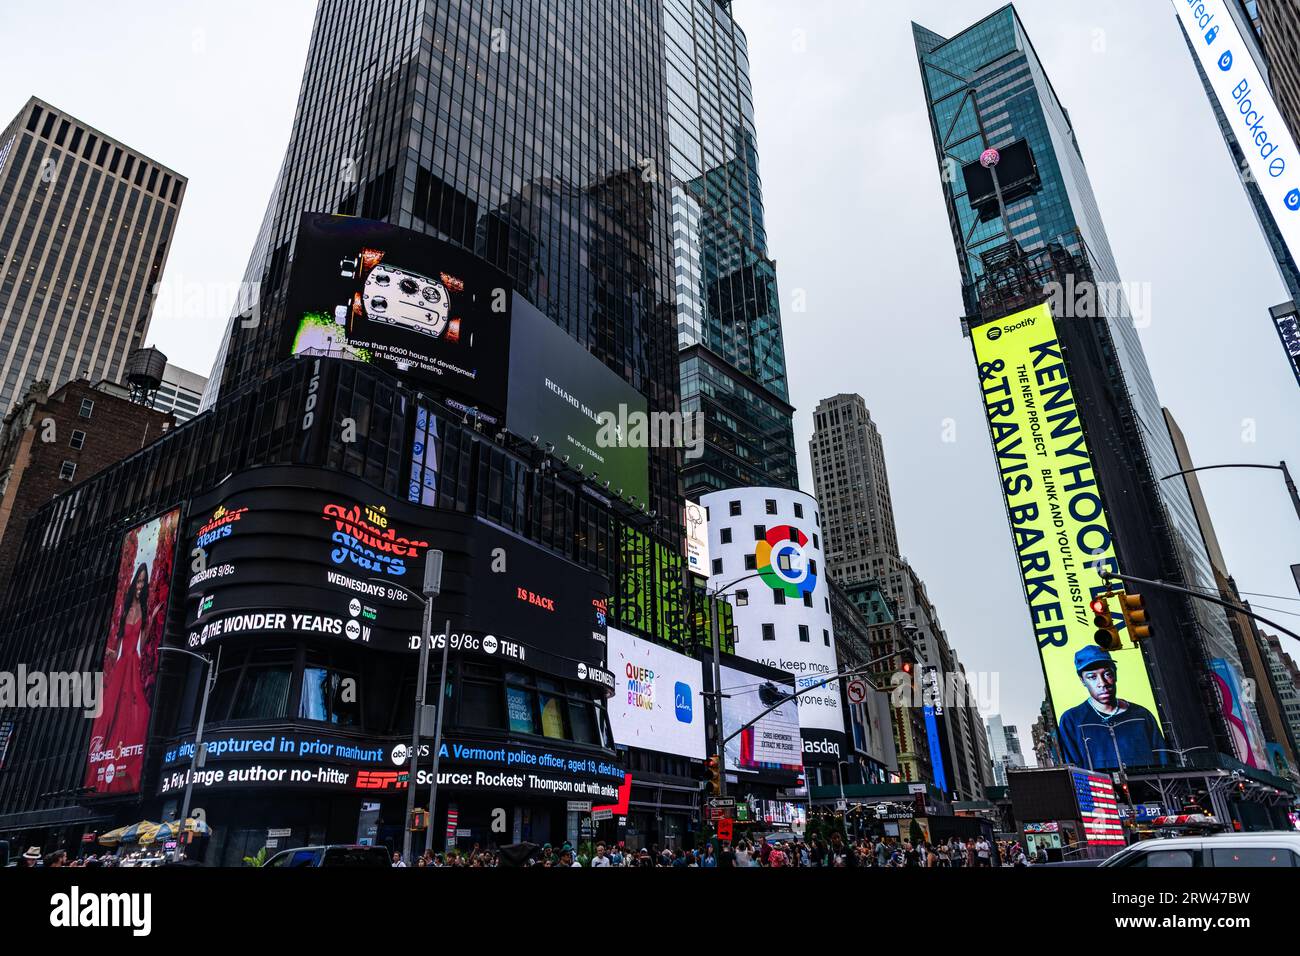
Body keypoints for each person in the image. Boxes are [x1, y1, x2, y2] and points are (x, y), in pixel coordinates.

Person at [1059, 647, 1166, 770]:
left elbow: (1163, 759)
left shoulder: (1141, 715)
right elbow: (1073, 770)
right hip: (1100, 788)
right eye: (1092, 677)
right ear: (1082, 680)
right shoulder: (1072, 720)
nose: (1102, 683)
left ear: (1115, 674)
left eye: (1107, 674)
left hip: (1151, 787)